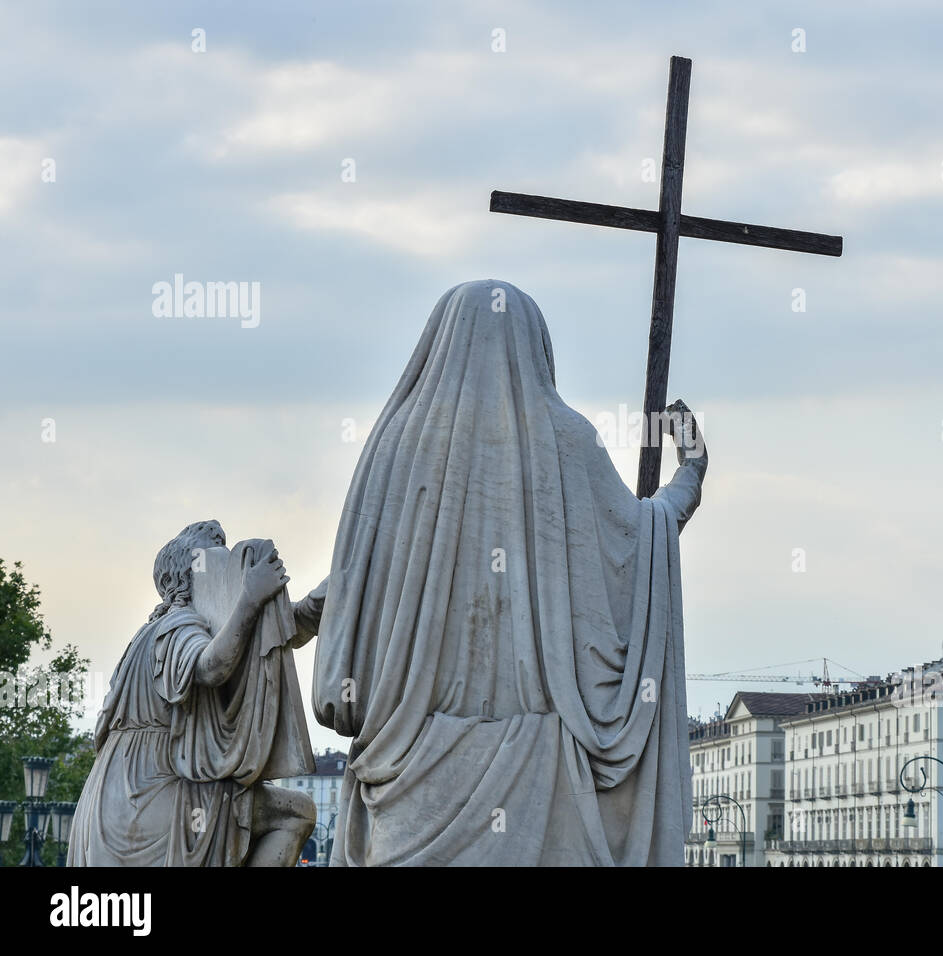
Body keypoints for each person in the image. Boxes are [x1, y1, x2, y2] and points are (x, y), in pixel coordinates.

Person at [313, 280, 707, 865]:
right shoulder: (565, 439)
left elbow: (355, 586)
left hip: (409, 779)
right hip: (540, 788)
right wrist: (691, 473)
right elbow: (639, 545)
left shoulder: (392, 448)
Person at [68, 520, 320, 866]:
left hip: (114, 797)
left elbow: (260, 643)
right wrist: (249, 599)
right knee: (296, 813)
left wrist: (310, 608)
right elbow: (212, 667)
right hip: (151, 793)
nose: (224, 567)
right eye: (215, 558)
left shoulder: (150, 633)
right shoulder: (177, 626)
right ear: (190, 572)